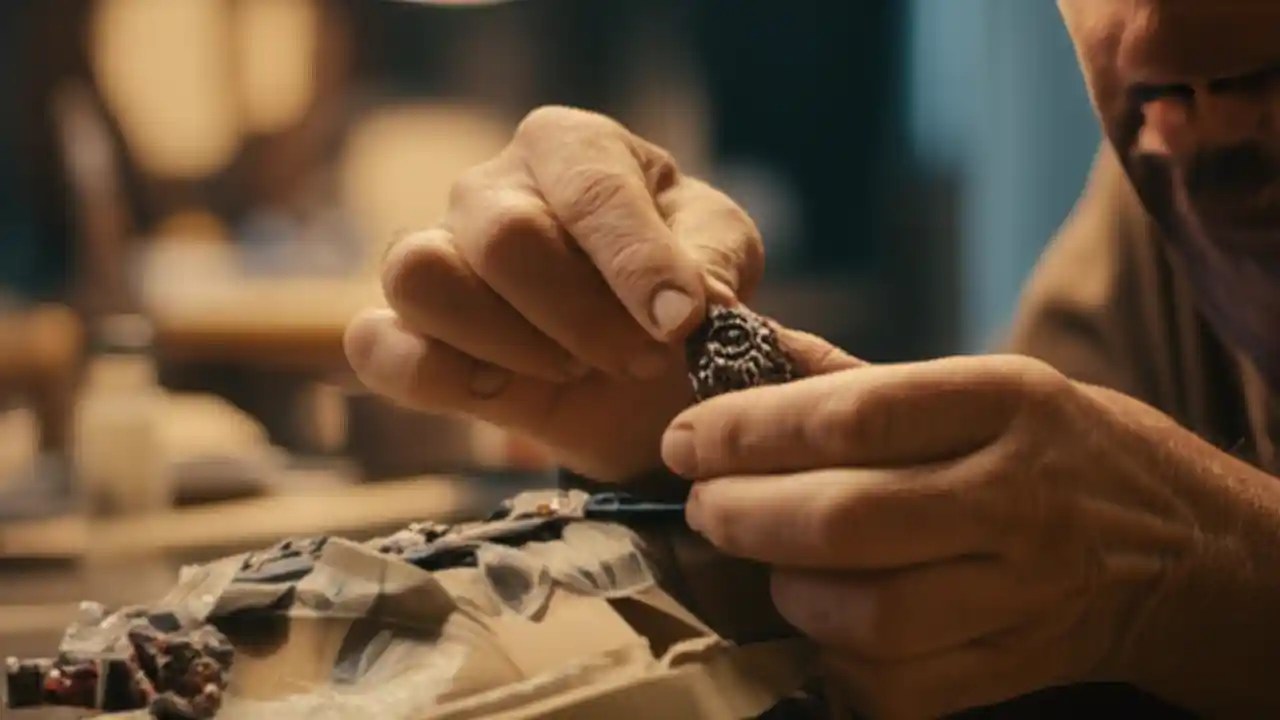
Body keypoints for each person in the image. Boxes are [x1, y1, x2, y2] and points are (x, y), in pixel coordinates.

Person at [344, 1, 1280, 717]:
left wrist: (1215, 572)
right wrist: (682, 444)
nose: (1155, 43)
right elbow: (1009, 597)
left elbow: (1140, 560)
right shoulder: (1161, 196)